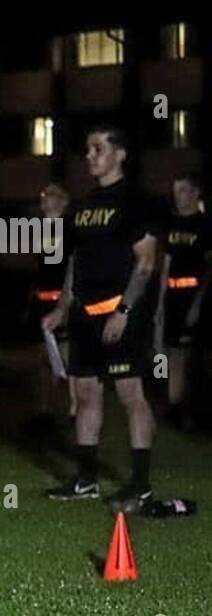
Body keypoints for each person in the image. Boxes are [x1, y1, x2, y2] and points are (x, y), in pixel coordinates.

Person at [41, 125, 161, 512]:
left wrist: (123, 311)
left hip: (121, 315)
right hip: (85, 317)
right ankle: (86, 480)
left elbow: (145, 262)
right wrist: (62, 306)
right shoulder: (84, 205)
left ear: (120, 154)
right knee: (87, 394)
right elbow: (75, 262)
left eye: (98, 149)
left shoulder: (136, 201)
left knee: (130, 395)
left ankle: (140, 485)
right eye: (88, 150)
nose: (89, 156)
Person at [160, 173, 210, 428]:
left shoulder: (204, 225)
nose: (178, 196)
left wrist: (198, 303)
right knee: (170, 352)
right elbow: (166, 264)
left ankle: (193, 406)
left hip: (193, 295)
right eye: (176, 190)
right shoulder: (171, 225)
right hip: (172, 295)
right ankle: (173, 402)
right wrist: (160, 302)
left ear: (195, 193)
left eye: (183, 190)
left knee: (192, 355)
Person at [30, 183, 75, 420]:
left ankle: (73, 409)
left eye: (51, 196)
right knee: (43, 359)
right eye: (43, 195)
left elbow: (71, 268)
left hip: (62, 302)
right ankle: (45, 409)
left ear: (63, 201)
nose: (45, 199)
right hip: (41, 302)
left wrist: (65, 304)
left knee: (65, 358)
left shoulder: (69, 230)